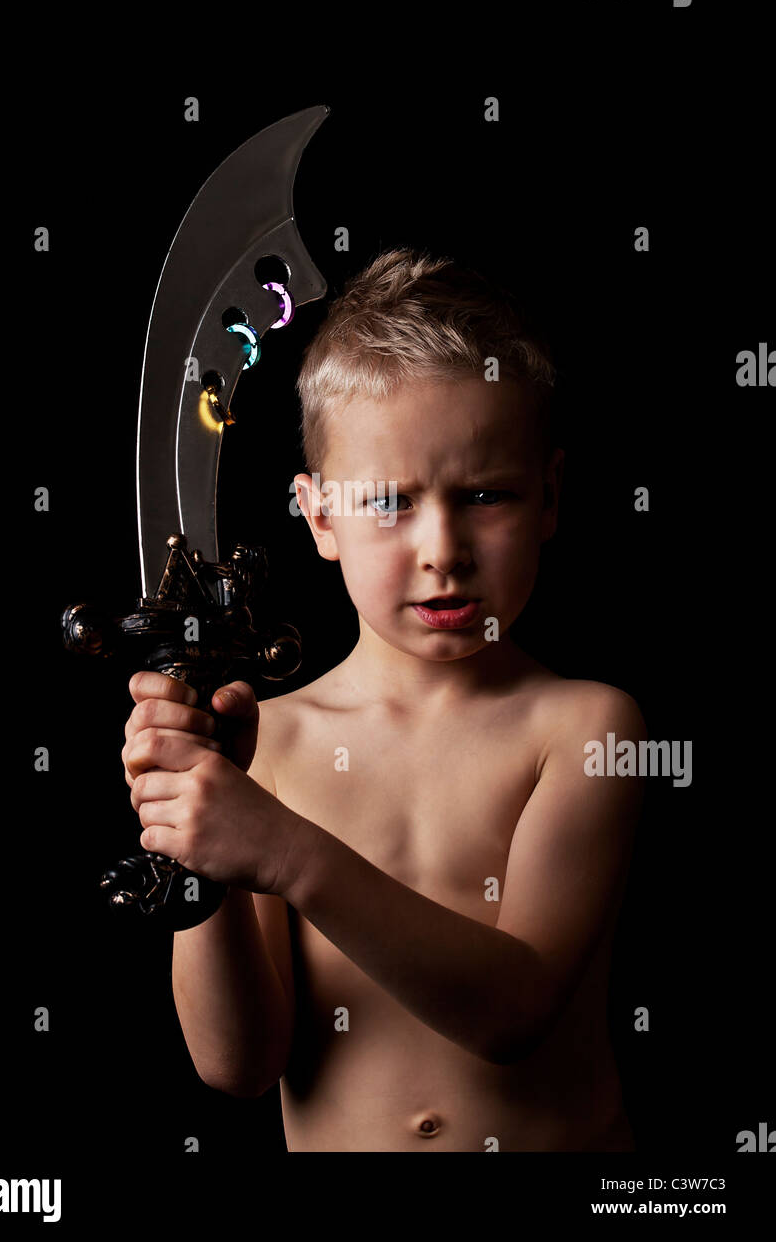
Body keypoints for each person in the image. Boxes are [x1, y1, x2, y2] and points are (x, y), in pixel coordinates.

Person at [122, 247, 647, 1151]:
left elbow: (512, 1014)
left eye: (486, 494)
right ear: (318, 515)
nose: (442, 547)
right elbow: (239, 1066)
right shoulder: (267, 746)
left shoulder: (585, 729)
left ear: (551, 495)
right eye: (390, 502)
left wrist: (282, 851)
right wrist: (200, 848)